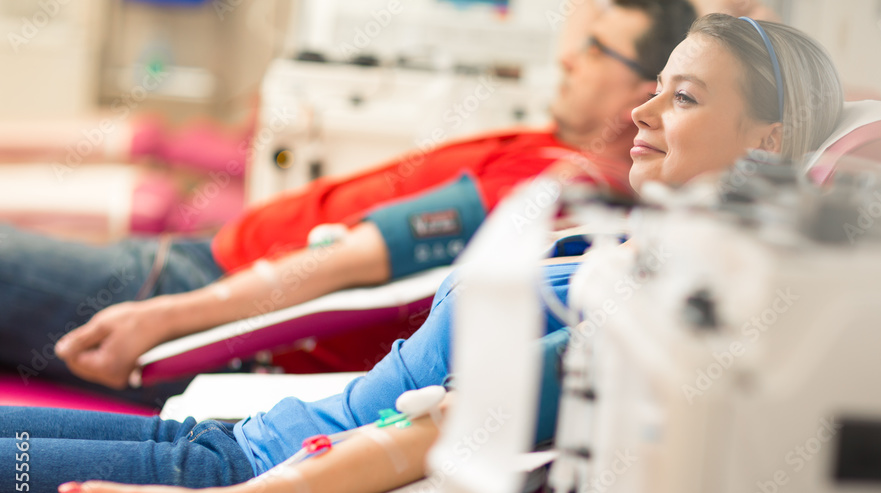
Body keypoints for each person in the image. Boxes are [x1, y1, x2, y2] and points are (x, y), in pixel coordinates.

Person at [5, 12, 843, 493]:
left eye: (683, 96)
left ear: (768, 139)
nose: (645, 110)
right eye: (654, 83)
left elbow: (437, 433)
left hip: (253, 490)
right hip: (249, 446)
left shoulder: (652, 298)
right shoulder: (628, 247)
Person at [0, 0, 696, 400]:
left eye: (597, 50)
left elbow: (350, 262)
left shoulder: (563, 189)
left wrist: (166, 317)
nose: (570, 59)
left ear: (642, 91)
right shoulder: (548, 148)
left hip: (192, 292)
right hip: (198, 265)